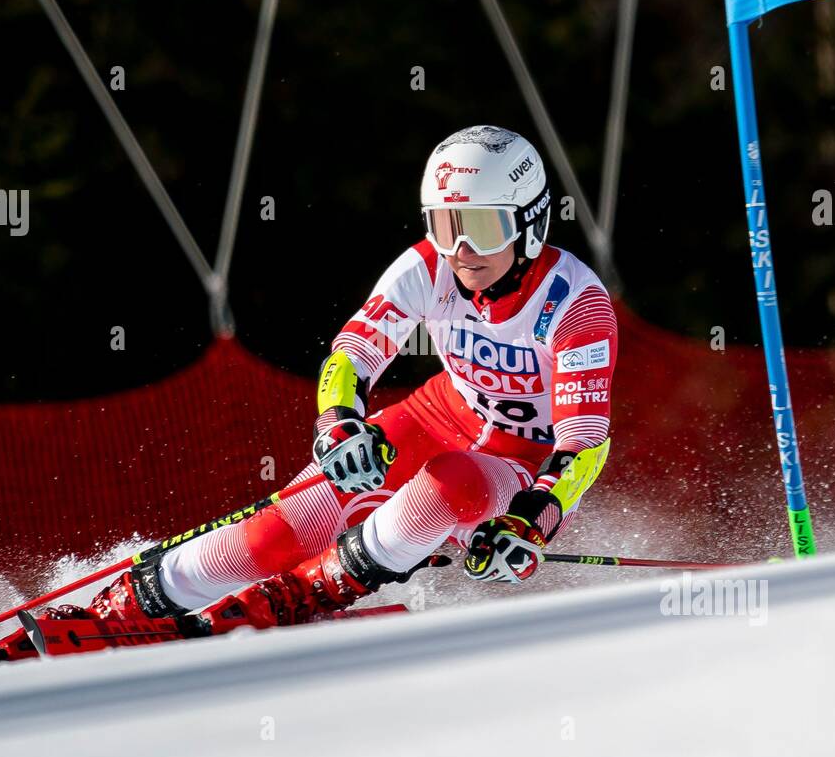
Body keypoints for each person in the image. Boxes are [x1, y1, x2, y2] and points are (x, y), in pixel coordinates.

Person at [47, 125, 618, 633]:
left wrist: (531, 519)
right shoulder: (428, 266)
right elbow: (353, 353)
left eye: (483, 229)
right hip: (436, 415)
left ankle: (310, 592)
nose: (462, 251)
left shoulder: (577, 306)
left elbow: (583, 445)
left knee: (452, 482)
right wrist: (340, 423)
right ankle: (116, 612)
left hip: (517, 458)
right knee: (270, 535)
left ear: (530, 223)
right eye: (445, 226)